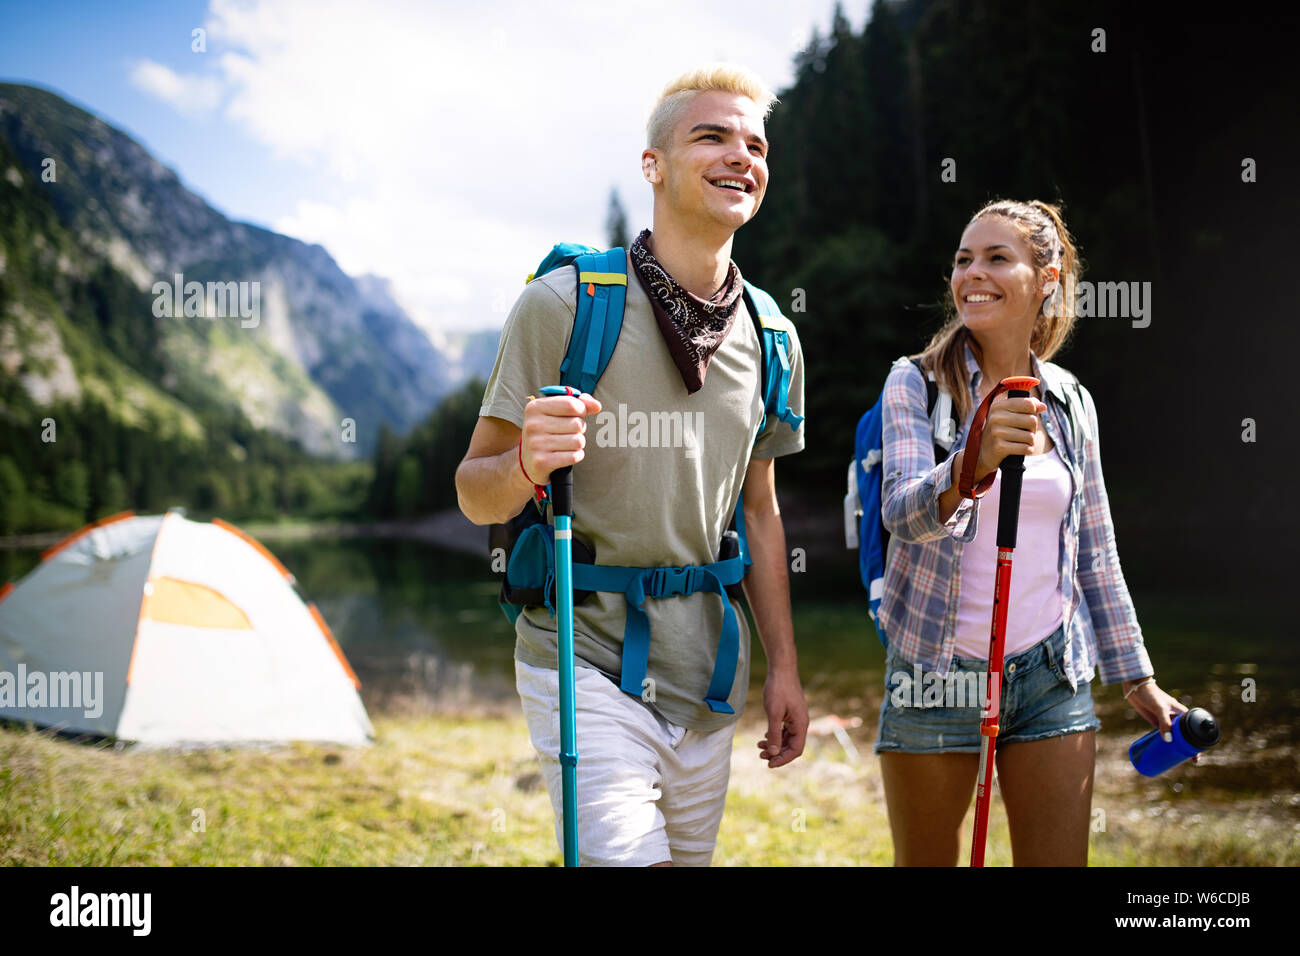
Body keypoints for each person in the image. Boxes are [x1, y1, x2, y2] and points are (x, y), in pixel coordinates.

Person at [455, 64, 808, 867]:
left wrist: (784, 668)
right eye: (710, 136)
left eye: (755, 144)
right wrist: (525, 463)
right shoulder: (564, 304)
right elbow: (474, 493)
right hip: (583, 665)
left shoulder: (775, 338)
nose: (740, 156)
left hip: (710, 681)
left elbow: (760, 512)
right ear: (652, 164)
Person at [873, 199, 1193, 866]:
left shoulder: (1071, 399)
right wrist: (971, 463)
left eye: (996, 258)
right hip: (937, 671)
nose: (972, 274)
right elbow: (901, 514)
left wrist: (1137, 677)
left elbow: (1095, 555)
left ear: (1047, 278)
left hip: (1052, 675)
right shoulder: (916, 383)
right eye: (963, 260)